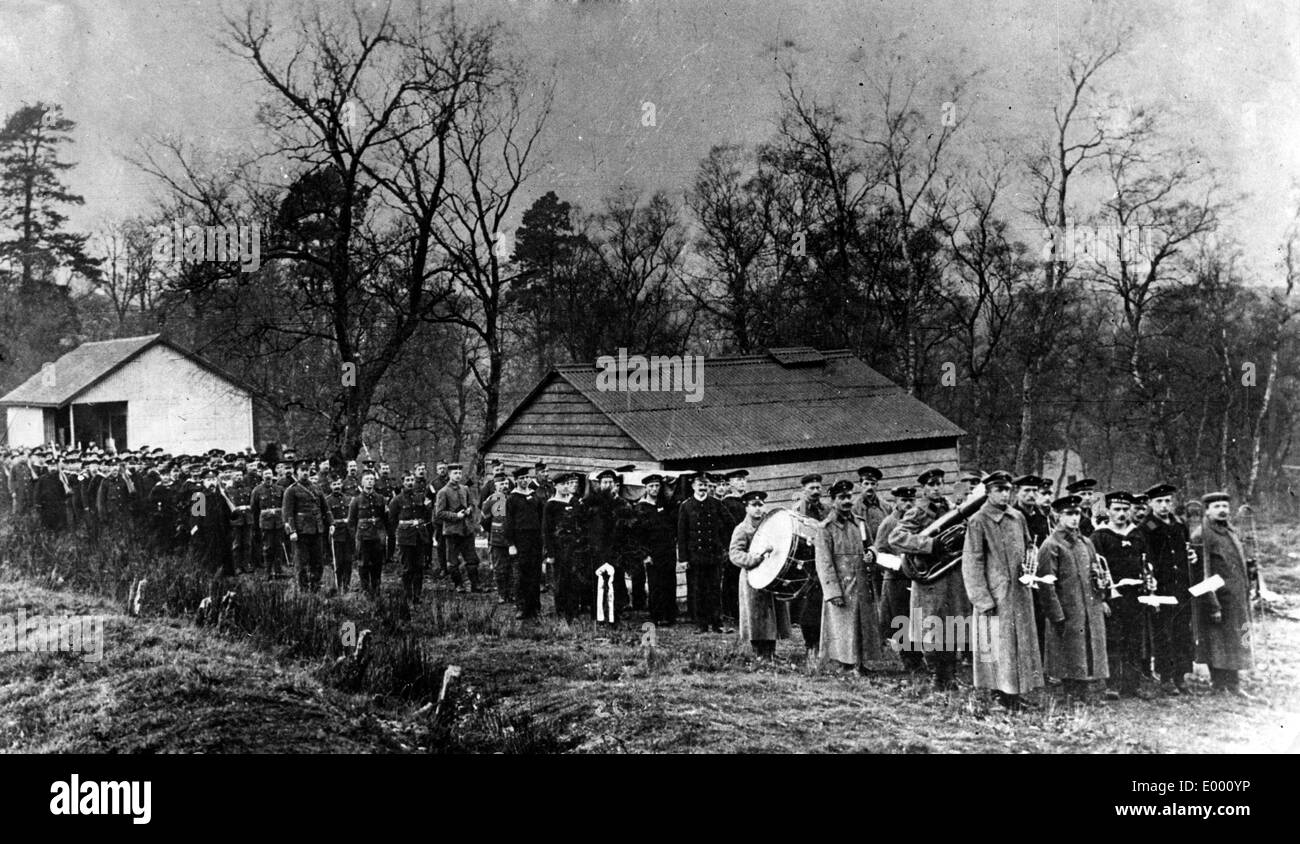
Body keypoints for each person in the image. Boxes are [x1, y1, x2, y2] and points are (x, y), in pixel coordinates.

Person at [961, 470, 1044, 710]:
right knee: (999, 647)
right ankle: (1000, 696)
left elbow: (1030, 546)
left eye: (1008, 489)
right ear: (988, 492)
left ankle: (1015, 694)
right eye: (999, 489)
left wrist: (1031, 562)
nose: (1005, 494)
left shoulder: (1017, 517)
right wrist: (982, 600)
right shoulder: (978, 520)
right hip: (996, 595)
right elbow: (972, 562)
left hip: (1020, 592)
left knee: (1019, 645)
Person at [890, 467, 969, 691]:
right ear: (924, 489)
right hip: (929, 580)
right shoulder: (917, 512)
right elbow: (896, 537)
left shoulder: (951, 509)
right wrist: (929, 545)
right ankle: (936, 676)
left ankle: (950, 675)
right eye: (931, 485)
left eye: (939, 484)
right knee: (931, 627)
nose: (936, 488)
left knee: (952, 625)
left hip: (951, 576)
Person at [1036, 494, 1109, 704]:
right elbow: (1046, 584)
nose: (1074, 518)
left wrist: (1101, 596)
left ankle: (1087, 690)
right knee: (1068, 651)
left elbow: (1096, 572)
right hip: (1068, 609)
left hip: (1089, 606)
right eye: (1069, 514)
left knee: (1087, 648)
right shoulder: (1051, 545)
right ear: (1058, 516)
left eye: (1077, 513)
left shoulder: (1086, 542)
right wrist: (1056, 614)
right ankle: (1071, 693)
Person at [1090, 491, 1155, 700]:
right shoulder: (1099, 537)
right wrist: (1102, 598)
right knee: (1114, 641)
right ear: (1108, 511)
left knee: (1134, 641)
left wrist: (1149, 581)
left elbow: (1147, 562)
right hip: (1112, 597)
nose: (1121, 514)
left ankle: (1132, 685)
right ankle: (1113, 685)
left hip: (1135, 597)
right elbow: (1094, 570)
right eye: (1117, 509)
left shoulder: (1138, 535)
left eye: (1125, 509)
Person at [1193, 492, 1257, 698]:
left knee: (1237, 639)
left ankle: (1233, 683)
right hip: (1219, 599)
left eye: (1225, 506)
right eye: (1217, 506)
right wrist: (1212, 603)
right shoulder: (1203, 534)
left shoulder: (1230, 531)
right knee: (1218, 641)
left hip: (1237, 599)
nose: (1223, 510)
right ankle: (1219, 683)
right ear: (1207, 510)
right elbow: (1203, 572)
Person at [816, 479, 882, 673]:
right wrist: (832, 591)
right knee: (843, 625)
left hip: (861, 583)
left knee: (862, 624)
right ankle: (845, 664)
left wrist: (872, 553)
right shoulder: (825, 528)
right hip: (842, 585)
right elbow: (824, 563)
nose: (847, 501)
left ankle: (860, 664)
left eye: (849, 496)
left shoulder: (859, 523)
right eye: (842, 497)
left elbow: (871, 545)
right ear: (833, 500)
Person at [1140, 482, 1197, 695]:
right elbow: (1146, 558)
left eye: (1167, 501)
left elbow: (1187, 549)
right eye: (1159, 501)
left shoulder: (1179, 525)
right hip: (1161, 588)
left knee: (1183, 631)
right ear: (1150, 503)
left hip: (1181, 586)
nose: (1164, 506)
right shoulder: (1146, 528)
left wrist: (1191, 557)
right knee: (1164, 633)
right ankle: (1166, 677)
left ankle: (1181, 676)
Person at [728, 490, 790, 659]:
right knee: (756, 616)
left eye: (760, 505)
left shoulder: (770, 526)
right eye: (753, 506)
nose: (758, 509)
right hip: (752, 579)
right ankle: (759, 653)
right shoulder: (741, 529)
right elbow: (735, 554)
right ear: (746, 508)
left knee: (772, 614)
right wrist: (754, 559)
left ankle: (772, 651)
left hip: (771, 575)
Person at [677, 472, 733, 634]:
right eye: (699, 485)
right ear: (693, 486)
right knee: (698, 590)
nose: (702, 488)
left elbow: (730, 524)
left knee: (715, 589)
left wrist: (726, 547)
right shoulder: (686, 506)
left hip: (714, 555)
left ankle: (717, 623)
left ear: (709, 487)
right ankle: (701, 624)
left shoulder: (716, 504)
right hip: (695, 556)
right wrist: (683, 558)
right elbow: (681, 534)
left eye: (705, 485)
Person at [875, 485, 924, 671]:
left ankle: (919, 657)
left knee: (917, 618)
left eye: (912, 500)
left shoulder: (918, 520)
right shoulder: (889, 523)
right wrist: (900, 564)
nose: (909, 504)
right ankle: (909, 661)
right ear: (896, 502)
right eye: (904, 500)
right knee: (901, 618)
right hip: (897, 579)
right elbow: (879, 553)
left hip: (918, 577)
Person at [635, 474, 679, 626]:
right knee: (655, 584)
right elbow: (638, 535)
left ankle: (670, 616)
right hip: (652, 552)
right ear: (645, 488)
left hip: (668, 550)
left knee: (670, 582)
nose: (654, 489)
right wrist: (645, 555)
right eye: (651, 486)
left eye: (657, 486)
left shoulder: (664, 504)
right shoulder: (641, 507)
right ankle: (657, 616)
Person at [282, 462, 333, 593]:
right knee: (301, 562)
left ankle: (315, 586)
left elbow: (325, 508)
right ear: (296, 472)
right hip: (301, 530)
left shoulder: (316, 488)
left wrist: (331, 523)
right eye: (302, 470)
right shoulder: (291, 490)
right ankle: (303, 589)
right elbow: (287, 512)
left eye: (307, 470)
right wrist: (292, 531)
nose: (305, 473)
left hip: (317, 528)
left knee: (318, 560)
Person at [792, 473, 827, 657]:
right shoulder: (797, 511)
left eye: (818, 488)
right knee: (807, 607)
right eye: (811, 488)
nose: (815, 491)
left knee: (822, 603)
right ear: (803, 490)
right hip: (806, 564)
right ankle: (810, 644)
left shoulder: (826, 510)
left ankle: (822, 642)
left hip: (824, 561)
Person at [504, 466, 546, 620]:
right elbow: (507, 523)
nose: (524, 481)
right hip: (520, 540)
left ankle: (535, 607)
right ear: (516, 481)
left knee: (535, 574)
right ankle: (521, 607)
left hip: (535, 539)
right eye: (521, 478)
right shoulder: (512, 499)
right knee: (521, 575)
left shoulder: (535, 496)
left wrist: (542, 540)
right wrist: (511, 544)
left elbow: (542, 519)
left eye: (526, 478)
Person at [435, 464, 481, 593]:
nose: (458, 476)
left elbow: (472, 504)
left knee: (472, 560)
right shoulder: (443, 492)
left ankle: (475, 585)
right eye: (455, 473)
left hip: (466, 530)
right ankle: (458, 585)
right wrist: (456, 515)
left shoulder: (465, 489)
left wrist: (469, 510)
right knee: (453, 562)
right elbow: (439, 513)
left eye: (459, 473)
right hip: (452, 531)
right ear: (449, 475)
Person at [543, 472, 581, 621]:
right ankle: (561, 611)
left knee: (575, 579)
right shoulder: (551, 505)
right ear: (556, 486)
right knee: (561, 580)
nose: (566, 487)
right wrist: (550, 553)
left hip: (575, 547)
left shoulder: (574, 501)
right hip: (559, 549)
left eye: (568, 484)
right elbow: (546, 531)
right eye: (563, 484)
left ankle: (574, 611)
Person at [389, 473, 432, 604]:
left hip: (419, 537)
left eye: (412, 480)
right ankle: (407, 595)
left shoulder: (421, 497)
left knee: (419, 567)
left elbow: (427, 515)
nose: (410, 482)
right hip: (405, 538)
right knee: (407, 568)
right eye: (407, 480)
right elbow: (392, 519)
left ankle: (417, 596)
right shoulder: (396, 500)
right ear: (402, 482)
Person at [348, 471, 390, 597]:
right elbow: (351, 522)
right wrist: (355, 538)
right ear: (362, 482)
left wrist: (385, 534)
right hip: (363, 536)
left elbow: (385, 518)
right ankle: (365, 589)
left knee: (377, 564)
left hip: (377, 536)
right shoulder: (356, 501)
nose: (370, 481)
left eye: (372, 479)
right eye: (367, 479)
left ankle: (376, 589)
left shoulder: (381, 499)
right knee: (364, 563)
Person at [189, 468, 235, 576]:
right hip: (207, 533)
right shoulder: (199, 496)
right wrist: (196, 534)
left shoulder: (220, 496)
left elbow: (231, 513)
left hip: (222, 532)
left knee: (225, 558)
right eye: (208, 480)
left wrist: (224, 496)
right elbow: (195, 518)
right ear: (203, 482)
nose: (211, 483)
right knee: (209, 560)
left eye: (214, 480)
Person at [719, 469, 749, 622]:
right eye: (738, 479)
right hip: (733, 547)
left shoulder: (748, 502)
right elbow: (723, 528)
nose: (742, 482)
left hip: (749, 547)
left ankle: (744, 610)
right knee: (732, 579)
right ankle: (730, 612)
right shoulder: (726, 503)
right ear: (730, 483)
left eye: (743, 479)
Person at [481, 472, 514, 604]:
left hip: (511, 540)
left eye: (506, 483)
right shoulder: (492, 500)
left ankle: (511, 593)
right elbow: (485, 521)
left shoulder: (512, 498)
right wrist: (495, 532)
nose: (504, 486)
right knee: (500, 568)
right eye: (501, 484)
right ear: (495, 486)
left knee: (511, 568)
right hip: (497, 540)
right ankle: (502, 593)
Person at [325, 478, 354, 593]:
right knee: (338, 561)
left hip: (348, 533)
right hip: (336, 533)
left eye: (338, 484)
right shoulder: (327, 501)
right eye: (334, 484)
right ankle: (338, 586)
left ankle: (347, 585)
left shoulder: (348, 499)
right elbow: (326, 517)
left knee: (348, 560)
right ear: (330, 486)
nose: (337, 486)